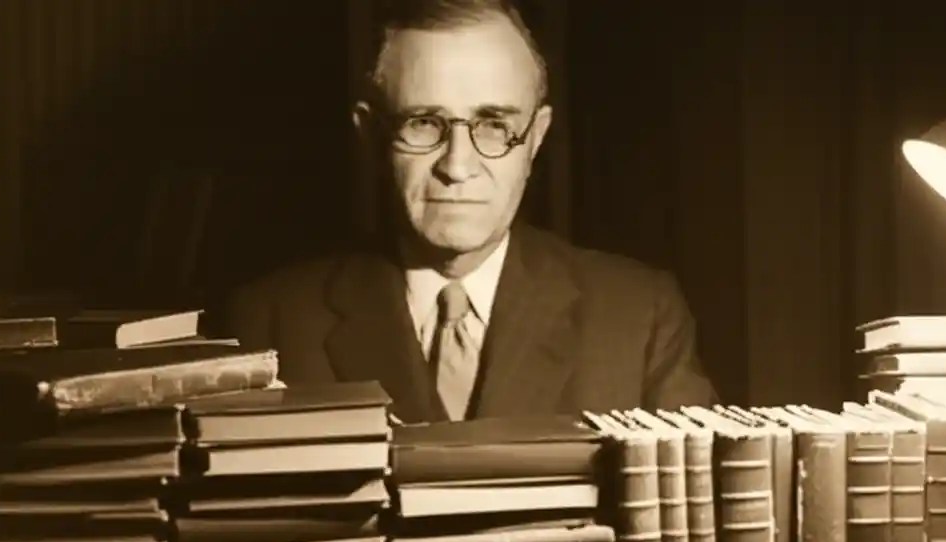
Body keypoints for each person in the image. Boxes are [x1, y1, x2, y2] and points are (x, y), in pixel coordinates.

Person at [221, 0, 717, 423]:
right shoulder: (270, 323)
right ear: (371, 136)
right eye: (422, 123)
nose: (457, 166)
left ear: (536, 138)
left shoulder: (638, 317)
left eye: (494, 125)